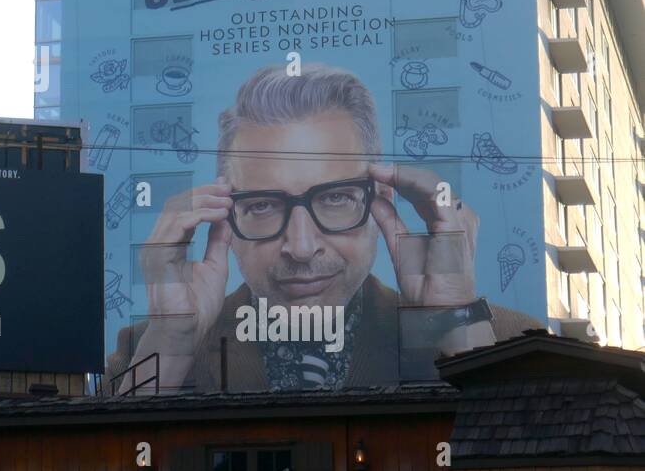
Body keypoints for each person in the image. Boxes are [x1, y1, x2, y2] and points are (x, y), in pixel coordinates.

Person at [109, 63, 542, 393]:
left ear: (380, 202)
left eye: (334, 198)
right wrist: (172, 339)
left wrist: (455, 321)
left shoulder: (509, 342)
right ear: (225, 221)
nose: (300, 247)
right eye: (262, 204)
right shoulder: (145, 350)